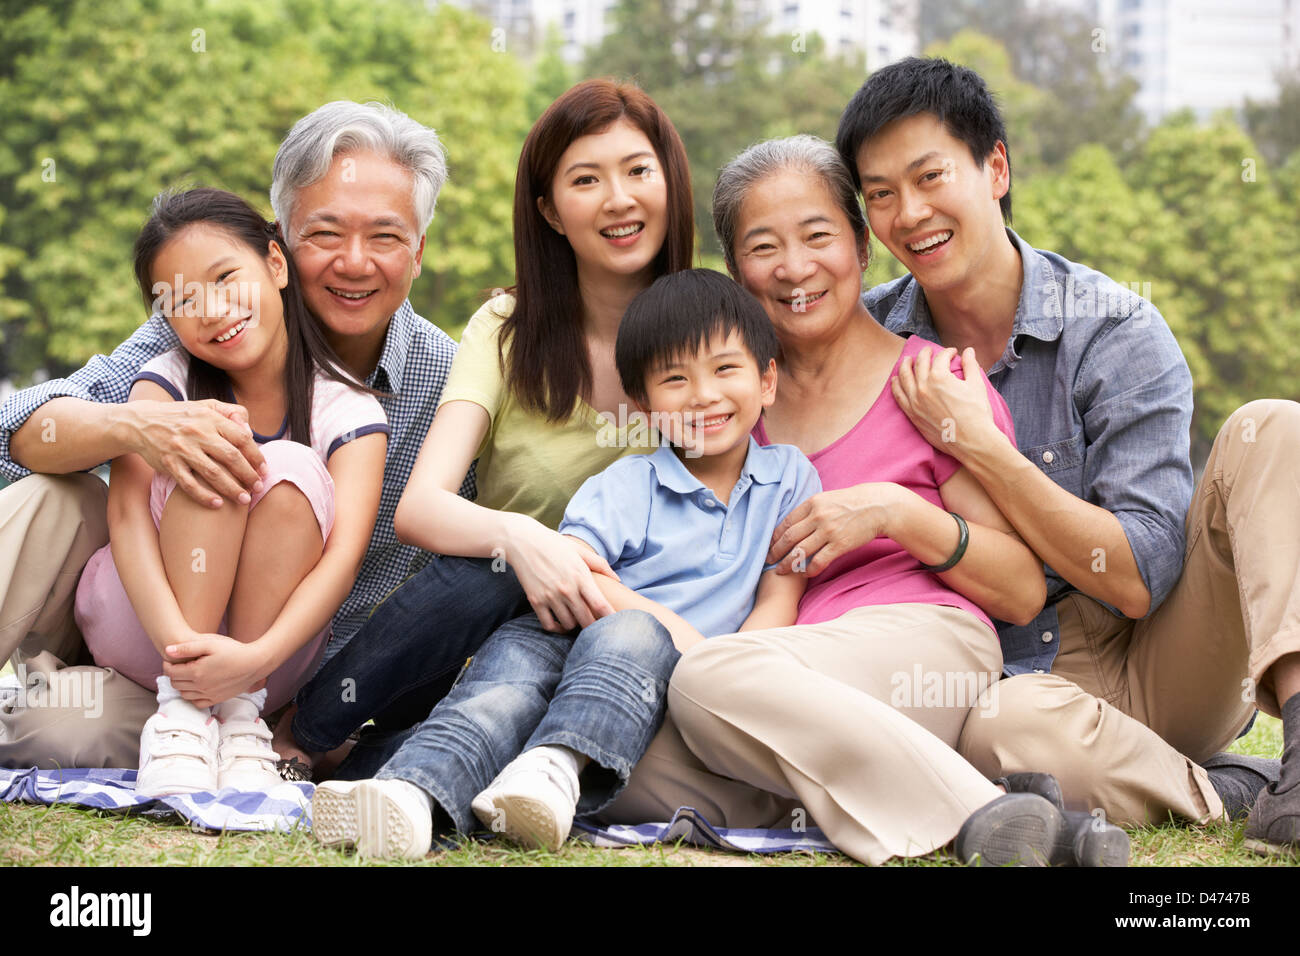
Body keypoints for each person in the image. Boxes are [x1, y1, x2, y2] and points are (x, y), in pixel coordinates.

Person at [590, 135, 1130, 867]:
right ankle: (989, 815)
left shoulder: (931, 384)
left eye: (818, 235)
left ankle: (981, 812)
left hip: (917, 646)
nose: (794, 267)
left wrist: (897, 514)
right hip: (775, 685)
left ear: (862, 247)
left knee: (710, 680)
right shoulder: (722, 409)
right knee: (619, 764)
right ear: (736, 269)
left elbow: (1021, 589)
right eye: (762, 247)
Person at [837, 56, 1294, 850]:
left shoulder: (1112, 329)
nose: (909, 213)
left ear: (996, 167)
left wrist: (978, 446)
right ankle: (1226, 787)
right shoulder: (869, 341)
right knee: (1006, 734)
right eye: (880, 194)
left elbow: (1141, 580)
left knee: (1273, 427)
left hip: (1159, 653)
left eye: (929, 176)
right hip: (1011, 684)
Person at [0, 101, 471, 770]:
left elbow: (457, 569)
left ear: (419, 252)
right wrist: (138, 426)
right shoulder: (199, 318)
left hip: (276, 688)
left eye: (386, 238)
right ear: (280, 243)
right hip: (142, 620)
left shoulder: (448, 382)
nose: (354, 263)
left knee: (56, 731)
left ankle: (194, 732)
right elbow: (18, 430)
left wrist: (303, 705)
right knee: (47, 495)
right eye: (326, 233)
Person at [310, 268, 821, 855]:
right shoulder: (630, 481)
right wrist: (677, 635)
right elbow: (578, 569)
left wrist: (722, 670)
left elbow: (780, 595)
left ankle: (549, 768)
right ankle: (405, 792)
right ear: (643, 405)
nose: (704, 395)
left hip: (657, 675)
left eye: (725, 369)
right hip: (565, 631)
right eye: (675, 378)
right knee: (500, 694)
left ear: (768, 380)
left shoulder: (790, 480)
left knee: (631, 641)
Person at [271, 79, 695, 781]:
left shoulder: (716, 336)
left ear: (671, 184)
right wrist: (525, 539)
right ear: (550, 212)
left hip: (637, 634)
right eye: (586, 179)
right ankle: (305, 733)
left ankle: (375, 764)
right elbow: (420, 507)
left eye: (637, 171)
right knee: (489, 570)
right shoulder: (506, 331)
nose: (618, 199)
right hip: (502, 624)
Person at [72, 188, 388, 795]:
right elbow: (128, 515)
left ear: (275, 264)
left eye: (225, 279)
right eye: (185, 300)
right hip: (145, 624)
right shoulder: (167, 382)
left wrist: (253, 661)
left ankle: (240, 722)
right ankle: (183, 715)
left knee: (287, 466)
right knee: (211, 437)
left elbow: (343, 559)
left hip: (267, 658)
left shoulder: (346, 407)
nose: (213, 310)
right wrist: (183, 656)